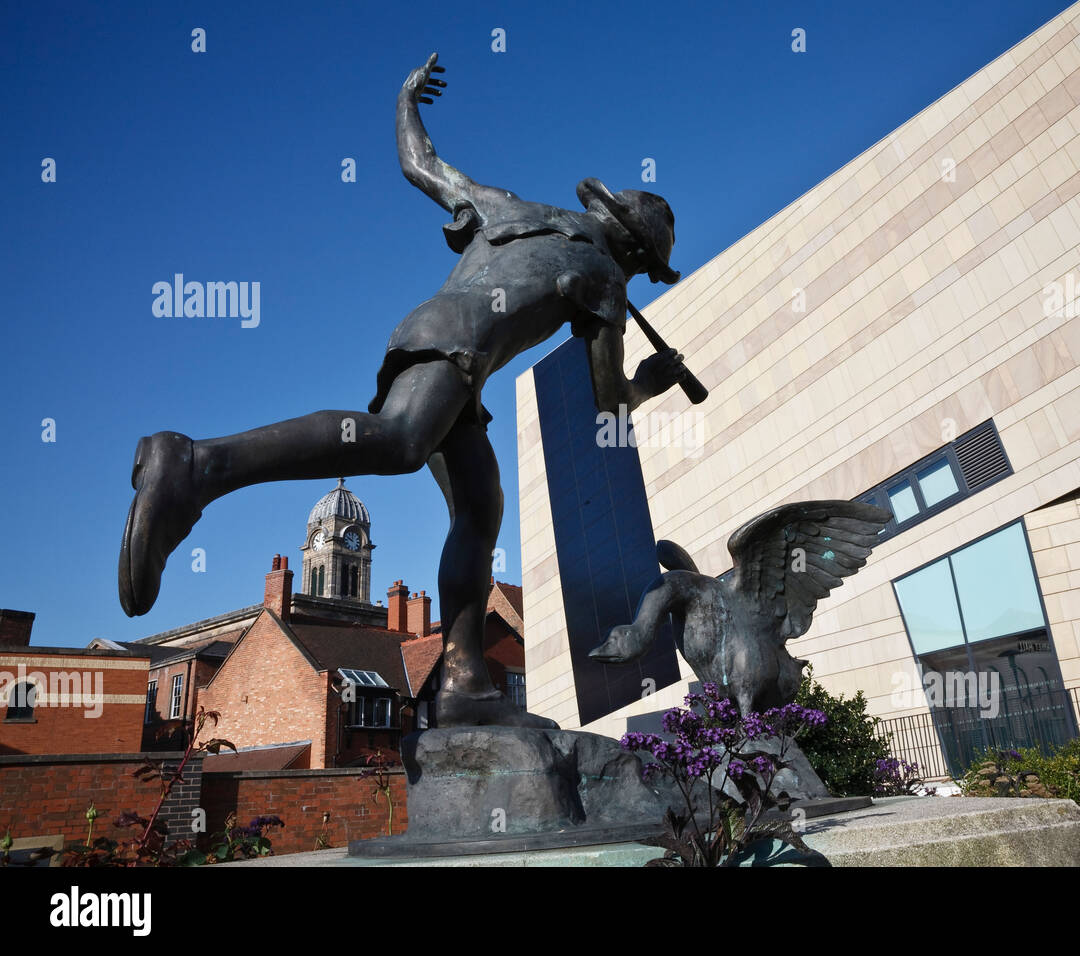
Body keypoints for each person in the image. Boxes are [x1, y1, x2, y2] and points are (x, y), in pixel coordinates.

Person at [119, 51, 688, 728]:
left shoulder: (511, 209)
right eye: (647, 270)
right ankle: (195, 465)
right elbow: (607, 406)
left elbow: (419, 164)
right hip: (458, 346)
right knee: (399, 442)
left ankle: (464, 679)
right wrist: (649, 383)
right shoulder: (604, 281)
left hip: (433, 338)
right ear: (635, 255)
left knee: (481, 507)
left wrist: (405, 99)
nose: (639, 279)